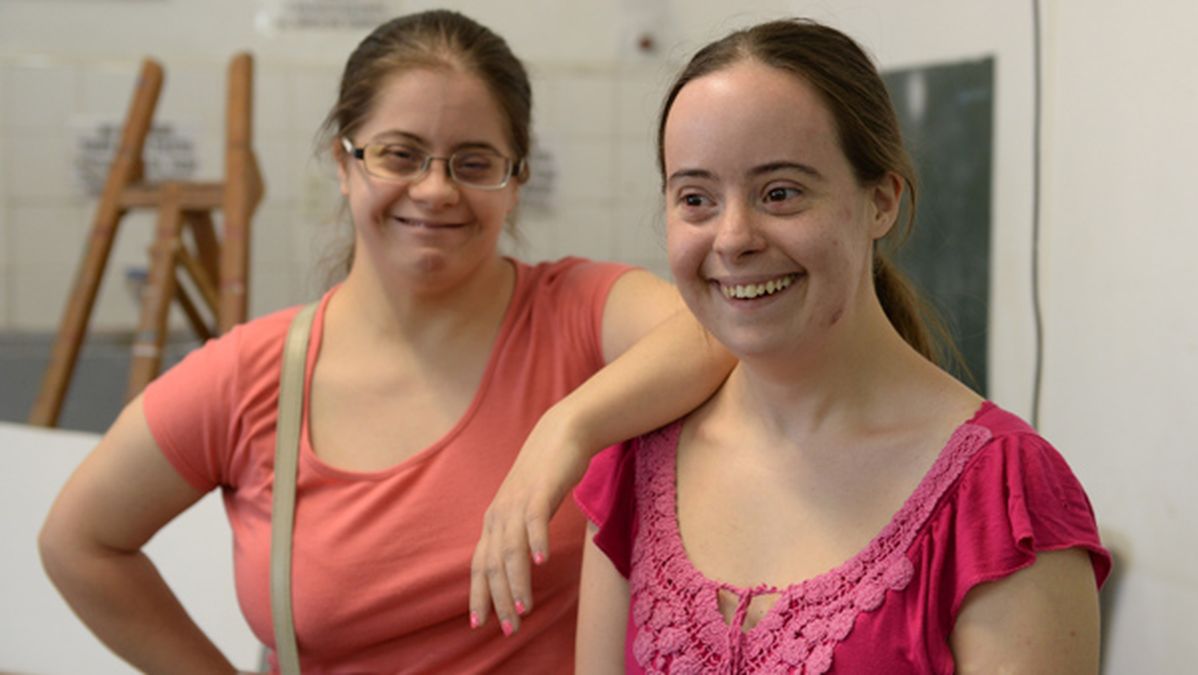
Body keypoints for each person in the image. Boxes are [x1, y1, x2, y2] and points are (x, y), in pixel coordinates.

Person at [37, 10, 733, 673]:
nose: (434, 190)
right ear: (343, 164)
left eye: (473, 161)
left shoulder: (576, 312)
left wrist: (566, 427)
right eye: (399, 155)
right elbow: (79, 542)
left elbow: (719, 331)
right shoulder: (253, 376)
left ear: (515, 181)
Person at [573, 18, 1112, 674]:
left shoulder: (1003, 496)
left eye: (781, 192)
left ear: (880, 200)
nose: (733, 236)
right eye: (696, 199)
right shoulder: (635, 467)